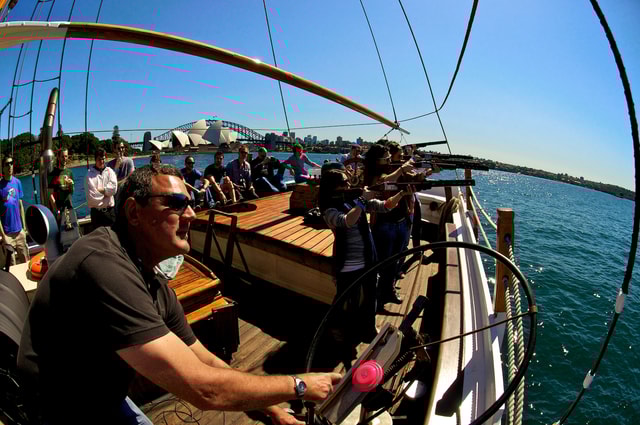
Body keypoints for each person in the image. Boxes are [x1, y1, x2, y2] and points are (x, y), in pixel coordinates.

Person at [18, 165, 341, 425]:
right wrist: (299, 386)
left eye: (191, 204)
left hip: (102, 394)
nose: (190, 215)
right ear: (133, 212)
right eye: (175, 204)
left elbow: (206, 361)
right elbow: (205, 389)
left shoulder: (152, 282)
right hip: (62, 409)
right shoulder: (102, 264)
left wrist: (272, 410)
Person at [318, 168, 411, 357]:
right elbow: (347, 221)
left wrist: (402, 194)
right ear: (333, 187)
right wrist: (361, 200)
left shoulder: (354, 200)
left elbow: (385, 206)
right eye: (343, 182)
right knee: (343, 300)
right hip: (347, 262)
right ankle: (336, 328)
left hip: (368, 259)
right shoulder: (329, 209)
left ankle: (369, 328)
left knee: (370, 297)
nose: (348, 184)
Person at [363, 143, 415, 309]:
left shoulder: (395, 170)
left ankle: (388, 289)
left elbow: (410, 180)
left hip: (401, 220)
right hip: (384, 223)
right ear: (377, 160)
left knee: (395, 259)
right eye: (386, 158)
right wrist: (401, 169)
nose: (389, 160)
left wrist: (426, 173)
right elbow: (382, 181)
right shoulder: (373, 174)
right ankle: (377, 295)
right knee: (383, 261)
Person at [0, 155, 29, 265]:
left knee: (26, 263)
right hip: (8, 235)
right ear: (2, 168)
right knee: (12, 267)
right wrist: (4, 236)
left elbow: (20, 206)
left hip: (20, 232)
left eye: (11, 163)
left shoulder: (17, 183)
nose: (10, 166)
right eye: (7, 164)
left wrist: (24, 228)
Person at [85, 148, 118, 231]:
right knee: (98, 238)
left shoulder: (110, 171)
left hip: (110, 213)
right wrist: (107, 193)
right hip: (96, 215)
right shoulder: (89, 175)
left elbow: (114, 189)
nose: (102, 161)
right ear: (95, 160)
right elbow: (92, 197)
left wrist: (99, 190)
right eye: (99, 159)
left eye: (103, 159)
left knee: (113, 236)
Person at [47, 148, 75, 218]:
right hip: (59, 209)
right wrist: (57, 211)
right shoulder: (52, 174)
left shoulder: (69, 172)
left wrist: (71, 184)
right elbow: (50, 195)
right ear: (58, 157)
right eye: (62, 156)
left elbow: (71, 192)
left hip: (69, 207)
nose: (64, 158)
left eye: (66, 156)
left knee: (73, 224)